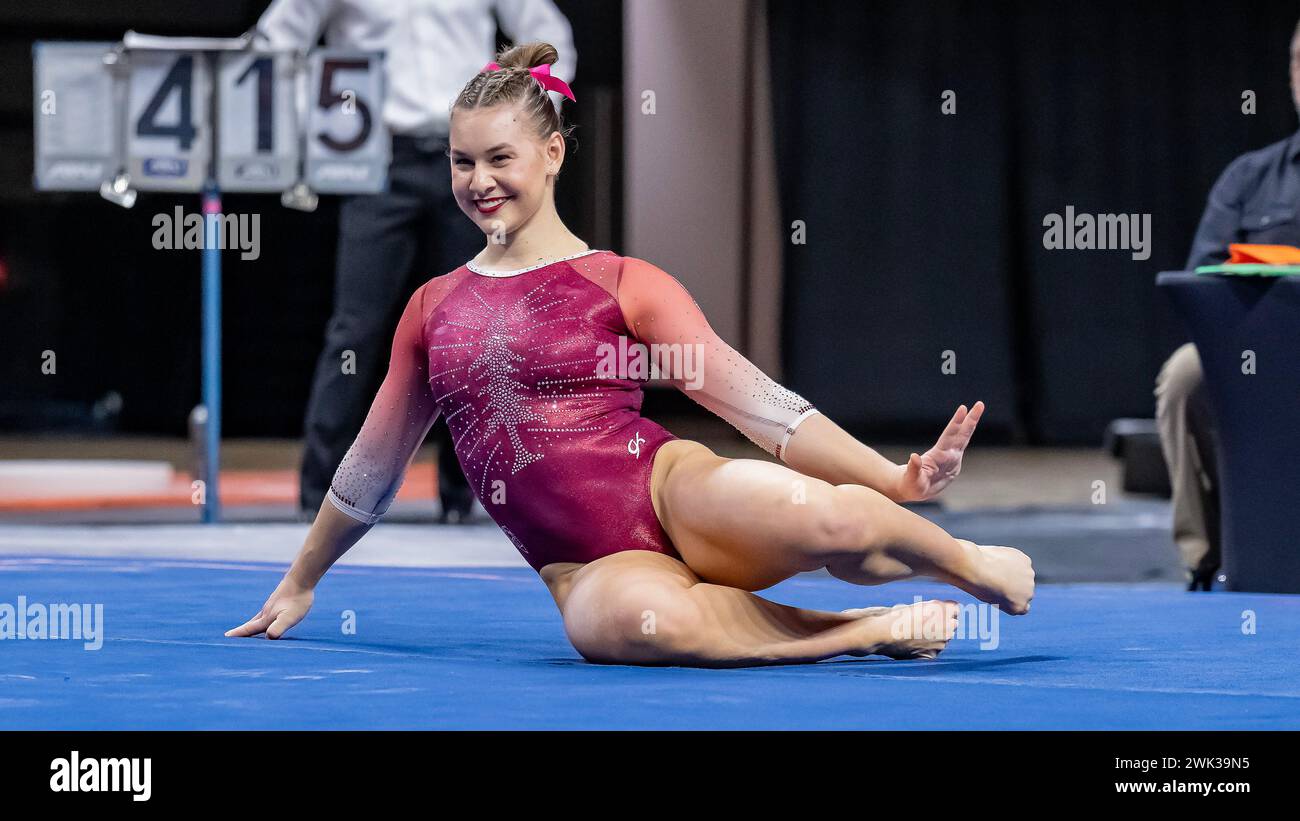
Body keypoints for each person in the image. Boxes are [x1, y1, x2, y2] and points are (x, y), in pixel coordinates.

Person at [228, 42, 1034, 667]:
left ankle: (965, 561)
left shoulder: (623, 283)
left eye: (499, 158)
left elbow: (761, 408)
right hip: (585, 563)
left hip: (673, 489)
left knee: (824, 514)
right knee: (627, 629)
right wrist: (302, 579)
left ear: (552, 152)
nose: (478, 181)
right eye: (462, 160)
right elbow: (371, 469)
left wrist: (896, 477)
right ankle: (863, 629)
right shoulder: (433, 309)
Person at [254, 0, 577, 523]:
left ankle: (467, 492)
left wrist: (526, 125)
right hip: (375, 158)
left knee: (476, 325)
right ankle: (321, 493)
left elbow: (548, 33)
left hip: (471, 156)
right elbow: (276, 43)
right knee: (356, 328)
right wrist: (309, 128)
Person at [1158, 16, 1300, 591]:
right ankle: (1207, 558)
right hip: (1265, 349)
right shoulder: (1250, 177)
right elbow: (1202, 281)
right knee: (1186, 375)